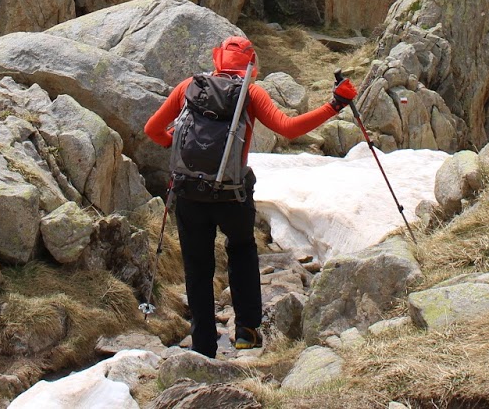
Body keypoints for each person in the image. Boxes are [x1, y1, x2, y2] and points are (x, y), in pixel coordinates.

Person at [144, 35, 358, 357]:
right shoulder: (250, 92)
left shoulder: (190, 85)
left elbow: (152, 130)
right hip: (232, 194)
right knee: (242, 249)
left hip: (189, 194)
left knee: (197, 267)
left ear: (217, 59)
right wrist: (335, 105)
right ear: (251, 64)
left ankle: (203, 347)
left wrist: (173, 141)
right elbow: (288, 128)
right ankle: (246, 331)